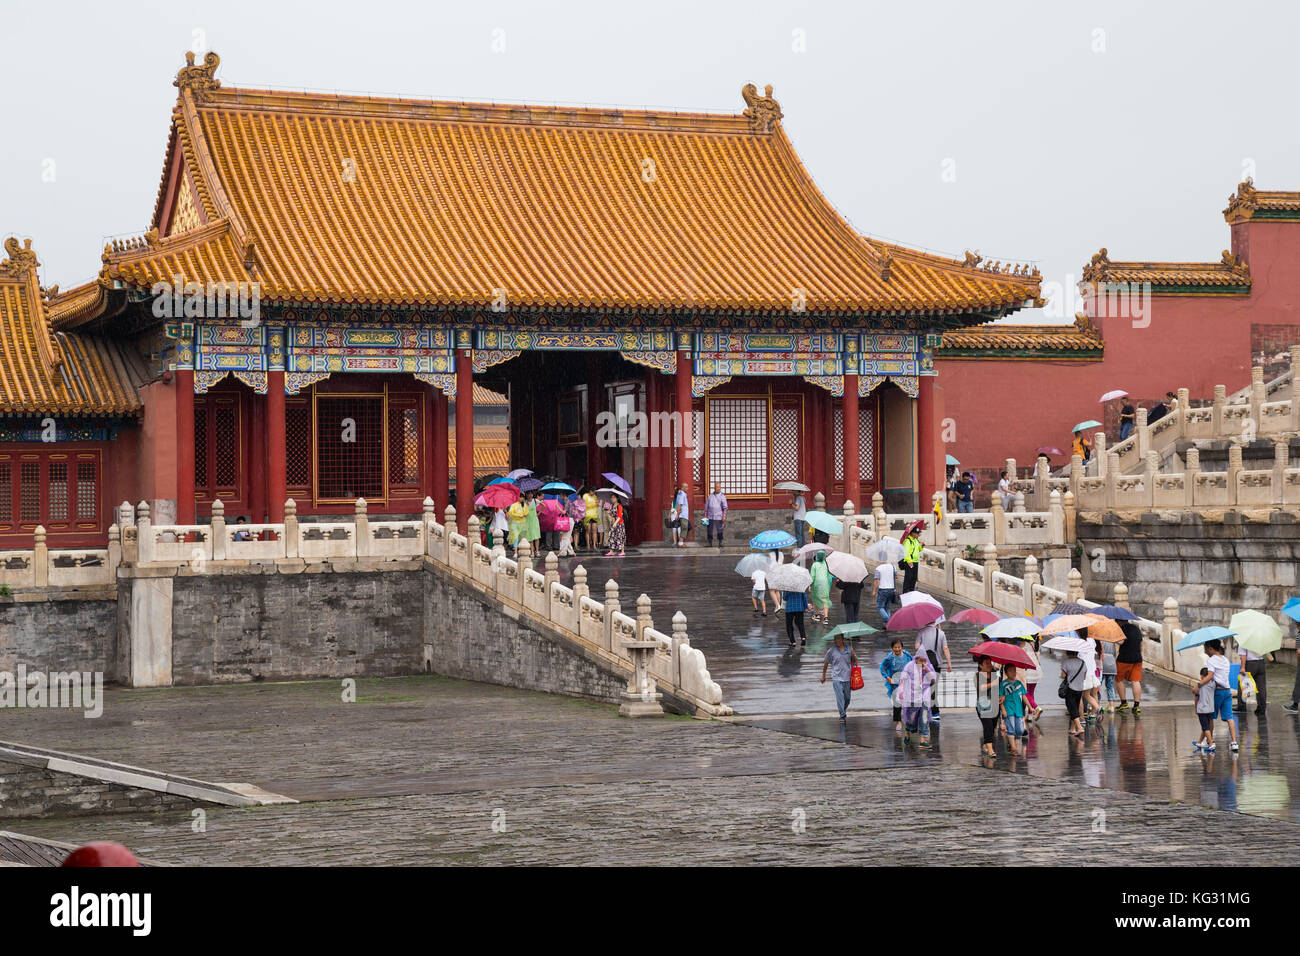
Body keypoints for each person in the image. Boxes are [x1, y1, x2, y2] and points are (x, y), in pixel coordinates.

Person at [1204, 639, 1239, 752]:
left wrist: (1199, 684)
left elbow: (1210, 676)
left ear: (1210, 648)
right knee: (1229, 718)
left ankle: (1210, 741)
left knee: (1210, 717)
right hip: (1227, 691)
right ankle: (1234, 743)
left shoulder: (1211, 660)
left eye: (1206, 649)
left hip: (1217, 691)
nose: (1205, 652)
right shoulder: (1225, 659)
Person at [897, 651, 934, 747]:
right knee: (911, 718)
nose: (921, 662)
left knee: (924, 717)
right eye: (919, 660)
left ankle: (923, 739)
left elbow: (933, 679)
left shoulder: (928, 666)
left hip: (924, 696)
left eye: (923, 660)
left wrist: (926, 668)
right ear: (916, 658)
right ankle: (908, 734)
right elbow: (902, 680)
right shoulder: (909, 666)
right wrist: (901, 692)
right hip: (912, 696)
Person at [916, 620, 951, 720]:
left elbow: (917, 647)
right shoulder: (941, 633)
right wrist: (949, 663)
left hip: (923, 664)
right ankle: (935, 713)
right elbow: (945, 648)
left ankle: (924, 710)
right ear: (935, 621)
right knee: (933, 688)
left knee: (923, 686)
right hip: (936, 664)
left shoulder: (921, 632)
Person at [820, 632, 858, 723]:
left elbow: (855, 662)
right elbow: (826, 663)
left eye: (838, 639)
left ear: (843, 639)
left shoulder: (849, 648)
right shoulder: (831, 650)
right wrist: (823, 675)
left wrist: (853, 655)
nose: (837, 641)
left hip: (847, 677)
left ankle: (843, 710)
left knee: (847, 698)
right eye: (835, 639)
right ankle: (842, 715)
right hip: (836, 677)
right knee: (840, 697)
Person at [879, 639, 912, 731]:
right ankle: (898, 721)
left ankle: (908, 719)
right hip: (895, 683)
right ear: (892, 648)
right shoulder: (889, 658)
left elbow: (913, 665)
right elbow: (882, 668)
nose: (897, 649)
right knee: (897, 702)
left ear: (902, 647)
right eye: (895, 647)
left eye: (899, 647)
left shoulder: (907, 656)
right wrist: (887, 677)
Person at [1114, 620, 1143, 715]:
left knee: (1119, 679)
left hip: (1124, 658)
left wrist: (1114, 639)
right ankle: (1136, 706)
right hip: (1137, 658)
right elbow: (1141, 644)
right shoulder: (1136, 628)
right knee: (1136, 681)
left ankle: (1124, 703)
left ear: (1119, 621)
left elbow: (1121, 642)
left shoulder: (1122, 629)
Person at [975, 655, 1000, 757]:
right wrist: (993, 683)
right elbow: (981, 688)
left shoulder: (994, 673)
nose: (989, 665)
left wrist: (1002, 696)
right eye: (987, 663)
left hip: (995, 704)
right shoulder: (978, 675)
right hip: (983, 706)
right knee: (988, 726)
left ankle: (986, 744)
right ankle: (990, 750)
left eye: (990, 662)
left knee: (993, 726)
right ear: (981, 666)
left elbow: (1000, 687)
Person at [1000, 663, 1027, 756]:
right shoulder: (1003, 684)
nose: (1013, 672)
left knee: (1019, 730)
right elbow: (1000, 698)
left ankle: (1011, 741)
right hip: (1008, 709)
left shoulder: (1019, 684)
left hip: (1018, 710)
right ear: (1006, 673)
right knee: (1011, 728)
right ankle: (1014, 748)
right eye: (1011, 671)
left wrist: (1031, 707)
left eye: (1015, 670)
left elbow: (1024, 696)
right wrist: (1003, 709)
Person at [1237, 645, 1269, 717]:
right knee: (1261, 687)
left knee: (1243, 684)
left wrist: (1242, 667)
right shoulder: (1261, 639)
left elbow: (1243, 655)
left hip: (1250, 663)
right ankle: (1262, 708)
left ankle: (1242, 706)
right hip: (1261, 663)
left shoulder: (1244, 640)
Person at [1061, 650, 1088, 737]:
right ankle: (1072, 728)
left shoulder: (1066, 662)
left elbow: (1063, 675)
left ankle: (1079, 728)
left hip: (1070, 688)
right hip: (1080, 688)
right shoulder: (1083, 662)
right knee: (1075, 707)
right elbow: (1084, 677)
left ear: (1067, 653)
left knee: (1072, 708)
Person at [1194, 666, 1217, 752]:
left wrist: (1195, 708)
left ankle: (1211, 744)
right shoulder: (1213, 684)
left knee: (1205, 727)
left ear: (1201, 676)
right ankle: (1199, 742)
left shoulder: (1199, 685)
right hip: (1210, 708)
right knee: (1206, 726)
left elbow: (1195, 694)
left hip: (1202, 709)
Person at [1020, 637, 1043, 721]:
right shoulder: (1037, 644)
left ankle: (1037, 708)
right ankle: (1030, 715)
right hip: (1036, 670)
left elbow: (1021, 656)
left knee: (1025, 693)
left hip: (1028, 671)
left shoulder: (1024, 644)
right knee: (1031, 693)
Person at [809, 551, 833, 625]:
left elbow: (812, 576)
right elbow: (829, 575)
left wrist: (810, 585)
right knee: (825, 600)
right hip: (825, 584)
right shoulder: (826, 564)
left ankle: (817, 615)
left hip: (817, 584)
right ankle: (826, 618)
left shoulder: (814, 565)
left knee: (816, 598)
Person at [704, 482, 727, 547]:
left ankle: (720, 542)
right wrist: (705, 514)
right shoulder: (710, 496)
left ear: (720, 488)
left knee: (720, 529)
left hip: (719, 516)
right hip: (710, 515)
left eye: (718, 487)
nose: (717, 488)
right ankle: (709, 542)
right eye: (716, 487)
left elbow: (725, 508)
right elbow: (706, 506)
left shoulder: (722, 496)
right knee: (709, 530)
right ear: (714, 488)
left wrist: (724, 516)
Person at [1100, 637, 1119, 714]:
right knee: (1110, 686)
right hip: (1112, 664)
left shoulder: (1099, 639)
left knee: (1098, 686)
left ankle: (1097, 703)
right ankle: (1111, 705)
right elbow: (1114, 653)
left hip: (1102, 664)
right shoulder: (1112, 640)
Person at [900, 527, 922, 593]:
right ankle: (905, 593)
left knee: (914, 578)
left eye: (918, 533)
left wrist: (922, 545)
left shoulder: (916, 540)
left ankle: (911, 592)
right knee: (908, 578)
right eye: (916, 533)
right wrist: (909, 561)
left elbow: (919, 549)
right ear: (912, 533)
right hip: (910, 562)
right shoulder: (908, 541)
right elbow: (906, 552)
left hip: (915, 561)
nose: (918, 534)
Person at [671, 483, 690, 548]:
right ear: (683, 487)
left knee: (684, 528)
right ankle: (680, 543)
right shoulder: (682, 494)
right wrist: (677, 515)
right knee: (684, 528)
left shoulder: (682, 494)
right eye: (686, 487)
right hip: (683, 514)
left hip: (683, 514)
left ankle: (681, 542)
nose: (688, 488)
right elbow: (679, 505)